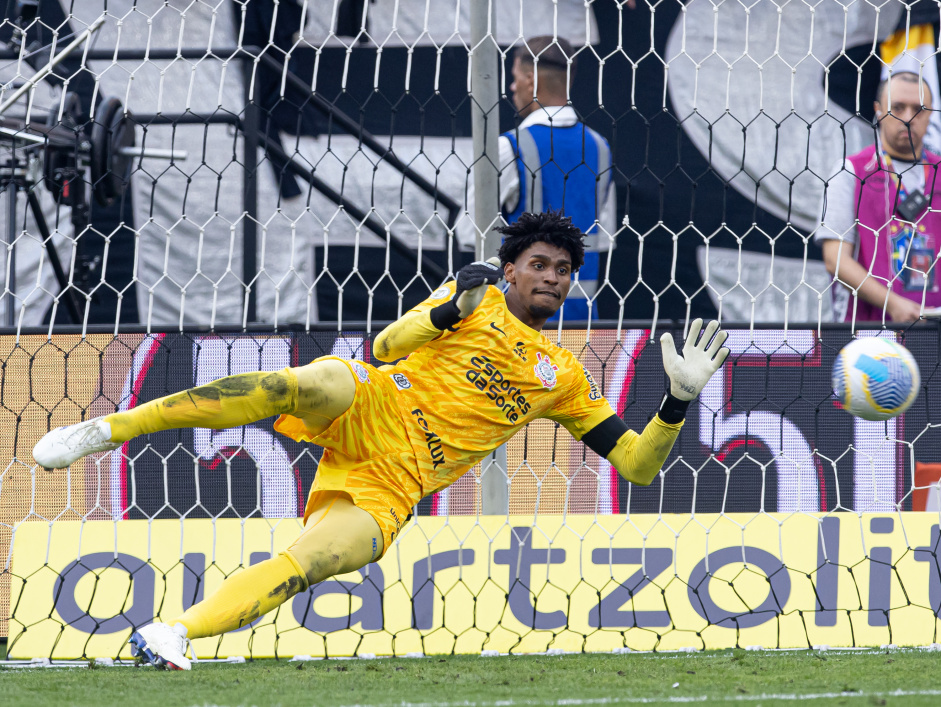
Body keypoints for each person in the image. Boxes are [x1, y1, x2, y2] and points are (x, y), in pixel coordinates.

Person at [32, 211, 729, 670]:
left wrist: (675, 400)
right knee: (298, 383)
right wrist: (450, 308)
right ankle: (106, 430)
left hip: (395, 483)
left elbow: (637, 465)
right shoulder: (475, 297)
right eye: (540, 264)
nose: (551, 277)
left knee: (312, 561)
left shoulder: (564, 376)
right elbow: (388, 345)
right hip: (373, 400)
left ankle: (174, 632)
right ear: (510, 269)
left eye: (562, 270)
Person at [459, 36, 616, 320]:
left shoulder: (507, 147)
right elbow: (603, 239)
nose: (512, 87)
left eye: (515, 77)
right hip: (583, 324)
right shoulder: (600, 147)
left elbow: (471, 233)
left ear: (530, 80)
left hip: (519, 324)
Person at [815, 71, 941, 322]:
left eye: (918, 109)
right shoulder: (850, 172)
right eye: (898, 108)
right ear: (879, 111)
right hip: (867, 333)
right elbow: (835, 259)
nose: (908, 117)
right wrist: (892, 304)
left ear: (931, 114)